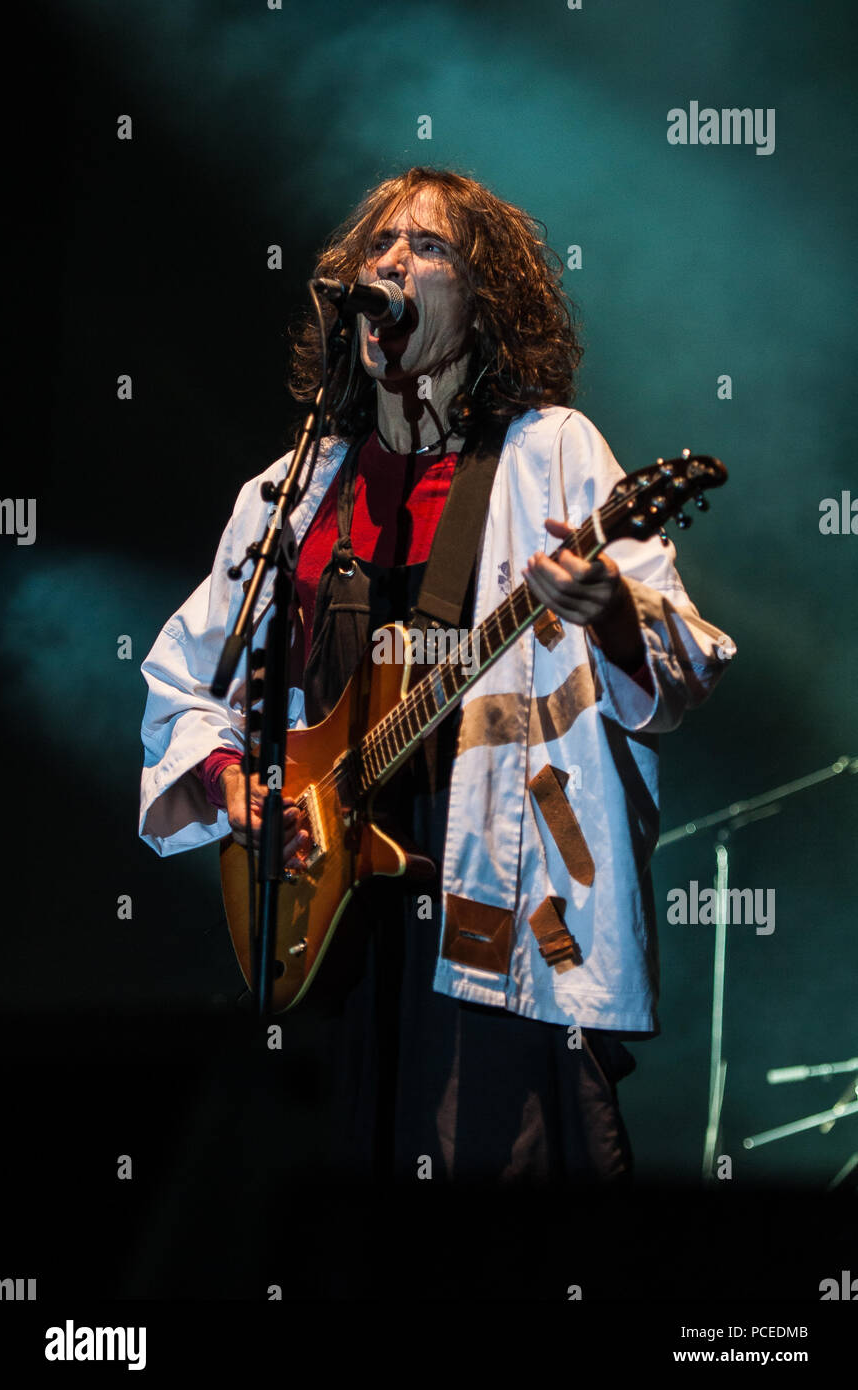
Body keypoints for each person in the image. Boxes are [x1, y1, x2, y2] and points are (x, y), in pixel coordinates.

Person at [139, 166, 735, 1187]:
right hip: (325, 930)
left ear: (486, 298)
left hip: (494, 923)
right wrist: (233, 782)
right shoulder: (291, 489)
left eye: (426, 247)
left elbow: (680, 661)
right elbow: (183, 681)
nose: (389, 264)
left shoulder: (549, 454)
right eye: (376, 248)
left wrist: (614, 620)